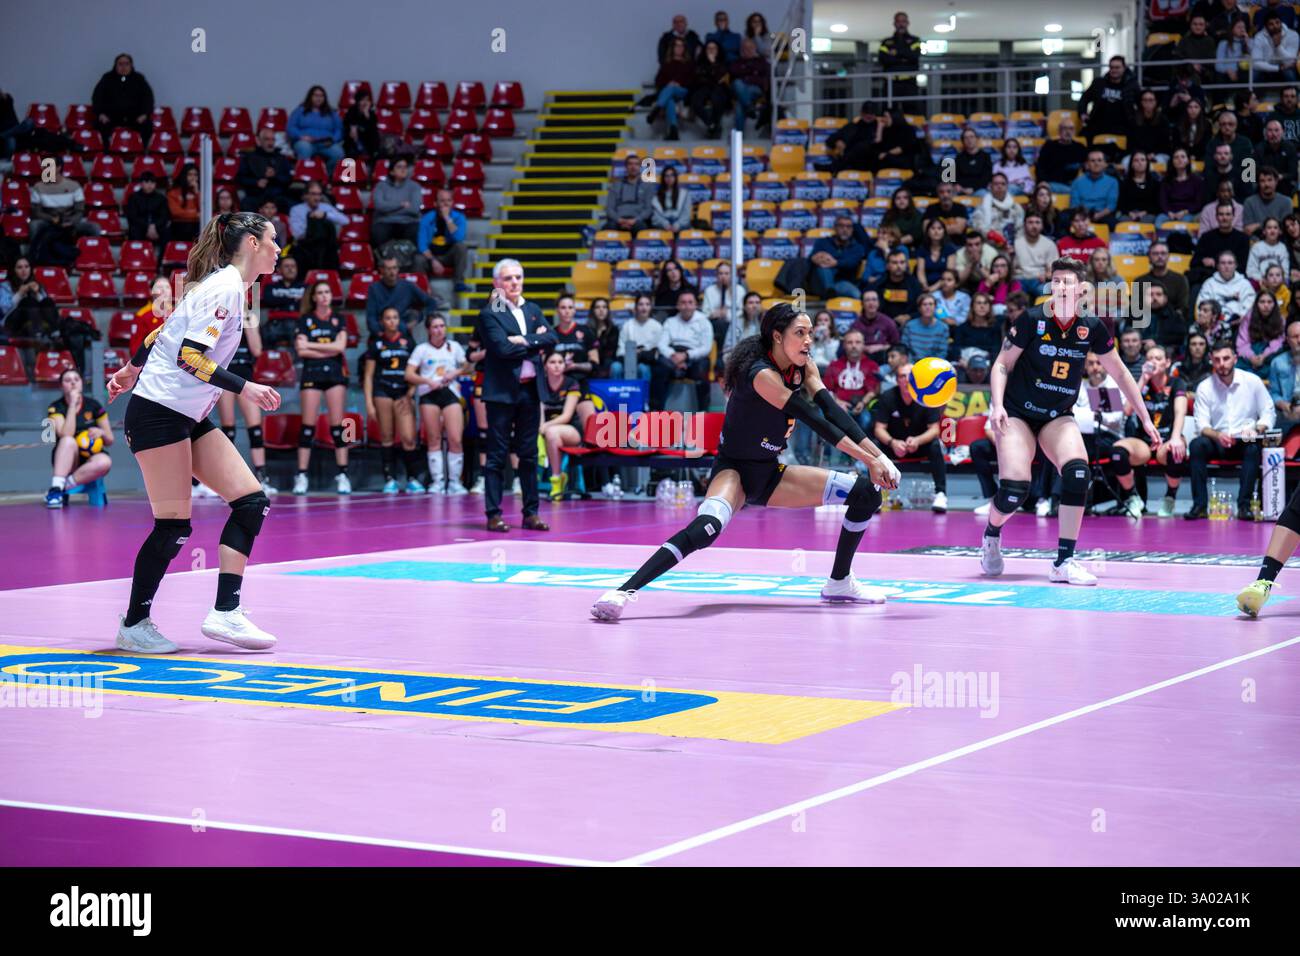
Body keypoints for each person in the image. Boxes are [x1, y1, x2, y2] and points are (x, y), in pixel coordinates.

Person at [590, 303, 902, 621]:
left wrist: (881, 458)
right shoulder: (761, 374)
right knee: (706, 529)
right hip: (734, 470)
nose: (809, 340)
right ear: (777, 336)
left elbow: (832, 412)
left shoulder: (805, 367)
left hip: (771, 474)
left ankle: (839, 583)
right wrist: (869, 459)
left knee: (867, 494)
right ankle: (622, 591)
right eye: (800, 333)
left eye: (810, 333)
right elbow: (813, 420)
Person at [105, 211, 282, 653]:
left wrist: (129, 369)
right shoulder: (223, 288)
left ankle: (226, 612)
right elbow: (189, 357)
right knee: (173, 527)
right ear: (253, 245)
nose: (279, 249)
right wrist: (247, 387)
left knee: (250, 501)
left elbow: (160, 334)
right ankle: (134, 623)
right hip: (158, 414)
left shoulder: (225, 287)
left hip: (185, 413)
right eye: (273, 241)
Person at [982, 257, 1159, 586]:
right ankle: (992, 533)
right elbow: (1001, 364)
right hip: (1018, 412)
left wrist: (1146, 419)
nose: (1062, 287)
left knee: (1079, 472)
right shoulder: (1033, 319)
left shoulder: (1091, 326)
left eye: (1068, 282)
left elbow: (1120, 372)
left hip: (1056, 416)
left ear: (1081, 289)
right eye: (1057, 281)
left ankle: (1064, 562)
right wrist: (996, 406)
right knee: (1014, 492)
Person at [477, 259, 556, 532]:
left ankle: (531, 513)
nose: (514, 283)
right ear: (497, 283)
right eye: (508, 278)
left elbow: (552, 338)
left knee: (529, 454)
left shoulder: (532, 308)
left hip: (529, 390)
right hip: (501, 393)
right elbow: (500, 349)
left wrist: (522, 340)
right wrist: (535, 340)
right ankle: (493, 514)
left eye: (518, 278)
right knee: (497, 455)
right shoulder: (490, 312)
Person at [1185, 339, 1275, 519]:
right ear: (1211, 359)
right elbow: (1201, 424)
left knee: (1253, 447)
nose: (1222, 364)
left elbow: (1268, 412)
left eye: (1226, 358)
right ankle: (1200, 505)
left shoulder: (1252, 381)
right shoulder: (1205, 387)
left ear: (1235, 358)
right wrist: (1218, 435)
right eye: (1217, 359)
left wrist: (1257, 429)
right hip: (1217, 440)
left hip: (1245, 438)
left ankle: (1244, 506)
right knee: (1196, 445)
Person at [1109, 345, 1189, 519]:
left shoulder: (1177, 382)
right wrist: (1143, 381)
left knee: (1176, 451)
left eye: (1158, 358)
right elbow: (1128, 410)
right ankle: (1133, 497)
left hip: (1167, 438)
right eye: (1150, 358)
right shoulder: (1141, 383)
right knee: (1117, 453)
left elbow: (1180, 412)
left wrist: (1176, 438)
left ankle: (1170, 497)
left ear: (1167, 363)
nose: (1153, 362)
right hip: (1143, 441)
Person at [291, 280, 350, 496]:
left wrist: (313, 346)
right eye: (320, 292)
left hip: (335, 374)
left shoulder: (338, 319)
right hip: (312, 373)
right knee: (308, 427)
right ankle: (302, 475)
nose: (324, 295)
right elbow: (301, 350)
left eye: (327, 291)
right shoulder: (306, 319)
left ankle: (343, 474)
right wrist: (329, 349)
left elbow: (341, 347)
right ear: (314, 297)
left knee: (339, 427)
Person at [215, 307, 275, 497]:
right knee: (229, 428)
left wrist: (247, 320)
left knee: (255, 428)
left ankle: (262, 478)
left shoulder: (250, 316)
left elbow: (257, 350)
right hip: (225, 374)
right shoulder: (221, 313)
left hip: (246, 374)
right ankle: (225, 479)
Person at [407, 313, 470, 495]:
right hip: (429, 394)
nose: (439, 330)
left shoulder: (454, 347)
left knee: (455, 439)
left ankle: (454, 482)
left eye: (442, 326)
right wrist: (427, 381)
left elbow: (468, 366)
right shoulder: (421, 349)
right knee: (433, 439)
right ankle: (437, 482)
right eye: (435, 326)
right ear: (428, 329)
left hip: (450, 394)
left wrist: (454, 373)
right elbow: (409, 374)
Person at [874, 362, 949, 512]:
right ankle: (876, 495)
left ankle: (941, 494)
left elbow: (934, 430)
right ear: (897, 380)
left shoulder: (927, 396)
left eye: (911, 376)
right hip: (893, 446)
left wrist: (918, 440)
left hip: (920, 445)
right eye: (902, 376)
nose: (907, 379)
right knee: (874, 447)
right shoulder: (887, 397)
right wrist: (892, 442)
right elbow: (879, 429)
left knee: (935, 446)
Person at [363, 306, 422, 494]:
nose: (392, 321)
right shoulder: (376, 343)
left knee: (408, 437)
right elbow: (368, 376)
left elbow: (416, 371)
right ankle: (390, 479)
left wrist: (411, 392)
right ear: (382, 321)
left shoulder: (408, 342)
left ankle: (412, 478)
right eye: (388, 318)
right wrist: (369, 403)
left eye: (395, 317)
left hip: (403, 393)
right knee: (386, 436)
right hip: (382, 391)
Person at [43, 368, 113, 508]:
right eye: (68, 380)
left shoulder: (93, 405)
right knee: (68, 441)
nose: (73, 383)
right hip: (67, 457)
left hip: (90, 457)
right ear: (61, 386)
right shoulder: (55, 407)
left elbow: (110, 440)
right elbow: (66, 434)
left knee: (105, 462)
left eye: (76, 379)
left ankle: (59, 489)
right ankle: (57, 487)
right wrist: (72, 406)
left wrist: (101, 433)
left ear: (81, 383)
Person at [28, 156, 101, 265]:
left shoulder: (74, 186)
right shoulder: (38, 187)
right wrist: (52, 219)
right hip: (48, 221)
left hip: (70, 220)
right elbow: (36, 211)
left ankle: (91, 260)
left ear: (58, 168)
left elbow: (80, 210)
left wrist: (71, 221)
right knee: (34, 225)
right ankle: (35, 259)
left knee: (94, 227)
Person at [651, 288, 713, 410]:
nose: (687, 306)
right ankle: (656, 410)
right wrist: (674, 356)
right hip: (672, 356)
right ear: (678, 305)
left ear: (696, 305)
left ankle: (702, 412)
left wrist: (686, 355)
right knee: (659, 368)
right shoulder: (670, 321)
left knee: (702, 367)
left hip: (694, 356)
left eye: (690, 302)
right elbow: (662, 344)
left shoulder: (704, 322)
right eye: (683, 302)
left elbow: (706, 348)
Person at [538, 351, 583, 500]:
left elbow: (567, 416)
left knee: (551, 433)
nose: (557, 366)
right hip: (548, 430)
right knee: (549, 435)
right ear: (545, 366)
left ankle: (555, 481)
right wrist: (540, 427)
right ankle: (524, 481)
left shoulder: (572, 383)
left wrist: (546, 426)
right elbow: (540, 412)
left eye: (560, 362)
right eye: (552, 362)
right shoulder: (540, 384)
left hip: (571, 430)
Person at [365, 255, 441, 338]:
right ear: (381, 270)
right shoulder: (374, 288)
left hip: (402, 331)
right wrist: (380, 333)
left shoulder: (408, 286)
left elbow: (431, 302)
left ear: (398, 269)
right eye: (388, 269)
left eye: (394, 268)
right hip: (382, 331)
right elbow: (371, 317)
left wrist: (418, 319)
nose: (392, 272)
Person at [91, 53, 153, 151]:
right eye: (120, 64)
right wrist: (100, 114)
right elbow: (97, 98)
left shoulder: (139, 79)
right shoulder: (107, 78)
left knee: (147, 126)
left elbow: (148, 99)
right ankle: (106, 152)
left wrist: (144, 114)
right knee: (99, 125)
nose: (123, 67)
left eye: (126, 64)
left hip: (135, 118)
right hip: (111, 117)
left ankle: (141, 151)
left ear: (131, 65)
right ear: (115, 66)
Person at [416, 188, 469, 292]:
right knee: (418, 259)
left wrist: (447, 218)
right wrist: (433, 260)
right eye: (442, 201)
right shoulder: (427, 218)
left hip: (448, 255)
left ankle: (459, 282)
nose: (446, 204)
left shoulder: (459, 218)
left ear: (452, 202)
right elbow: (422, 246)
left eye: (448, 200)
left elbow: (458, 238)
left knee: (461, 247)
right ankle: (422, 290)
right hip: (431, 256)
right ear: (435, 203)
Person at [288, 182, 348, 271]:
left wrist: (325, 215)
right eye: (313, 194)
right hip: (306, 248)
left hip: (326, 250)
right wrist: (312, 223)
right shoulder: (296, 210)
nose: (316, 198)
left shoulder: (325, 208)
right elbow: (298, 234)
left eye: (319, 194)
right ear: (306, 195)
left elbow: (345, 220)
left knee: (327, 225)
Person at [1, 257, 61, 345]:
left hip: (34, 323)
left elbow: (46, 308)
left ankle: (55, 333)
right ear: (13, 270)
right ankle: (38, 335)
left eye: (26, 267)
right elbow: (3, 310)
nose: (24, 270)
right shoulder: (4, 286)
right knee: (28, 302)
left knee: (48, 301)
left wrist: (37, 294)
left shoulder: (37, 285)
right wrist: (19, 294)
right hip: (11, 324)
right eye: (19, 267)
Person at [370, 154, 423, 250]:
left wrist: (389, 209)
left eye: (405, 167)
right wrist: (401, 205)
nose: (403, 170)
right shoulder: (380, 186)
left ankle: (409, 262)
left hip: (408, 222)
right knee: (379, 231)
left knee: (415, 230)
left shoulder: (415, 187)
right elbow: (379, 207)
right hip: (385, 222)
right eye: (399, 167)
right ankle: (383, 262)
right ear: (391, 171)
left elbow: (414, 209)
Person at [1081, 56, 1139, 142]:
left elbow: (1140, 101)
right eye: (1111, 67)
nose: (1114, 70)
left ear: (1124, 68)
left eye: (1117, 67)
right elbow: (1085, 98)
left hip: (1123, 126)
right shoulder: (1099, 83)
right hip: (1099, 125)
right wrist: (1082, 113)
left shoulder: (1131, 86)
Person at [288, 85, 344, 173]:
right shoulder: (300, 111)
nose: (319, 98)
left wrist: (333, 139)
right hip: (305, 142)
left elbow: (339, 129)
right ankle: (304, 177)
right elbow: (290, 127)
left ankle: (325, 176)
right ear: (310, 97)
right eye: (316, 95)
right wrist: (301, 136)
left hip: (326, 143)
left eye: (321, 96)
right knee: (304, 148)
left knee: (339, 153)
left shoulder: (331, 113)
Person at [236, 127, 293, 213]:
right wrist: (256, 182)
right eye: (267, 139)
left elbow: (288, 179)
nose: (270, 143)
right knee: (246, 204)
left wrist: (275, 176)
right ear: (259, 141)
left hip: (276, 197)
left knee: (290, 204)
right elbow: (240, 178)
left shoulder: (281, 158)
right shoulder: (249, 157)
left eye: (272, 140)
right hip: (256, 196)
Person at [650, 37, 694, 140]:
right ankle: (673, 130)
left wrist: (679, 84)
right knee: (670, 100)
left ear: (684, 48)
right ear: (673, 47)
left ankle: (658, 107)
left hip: (683, 92)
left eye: (681, 46)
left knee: (672, 89)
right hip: (669, 94)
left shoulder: (689, 64)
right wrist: (669, 83)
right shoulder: (666, 64)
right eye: (677, 45)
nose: (679, 48)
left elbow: (692, 81)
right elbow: (658, 81)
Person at [613, 292, 664, 380]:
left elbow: (657, 351)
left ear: (651, 307)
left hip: (646, 361)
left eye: (647, 304)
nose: (644, 308)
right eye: (641, 304)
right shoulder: (627, 325)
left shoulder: (657, 326)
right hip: (627, 359)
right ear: (636, 307)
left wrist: (640, 354)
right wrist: (631, 354)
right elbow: (620, 349)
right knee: (615, 367)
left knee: (642, 368)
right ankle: (615, 393)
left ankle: (644, 393)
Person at [1196, 250, 1254, 323]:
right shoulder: (1209, 284)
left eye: (1230, 263)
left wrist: (1240, 319)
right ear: (1217, 266)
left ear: (1235, 265)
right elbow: (1201, 307)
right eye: (1223, 263)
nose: (1226, 266)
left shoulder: (1245, 284)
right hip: (1213, 324)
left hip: (1239, 324)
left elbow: (1250, 308)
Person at [690, 40, 732, 139]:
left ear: (718, 50)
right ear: (705, 50)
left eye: (714, 48)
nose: (711, 50)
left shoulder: (724, 63)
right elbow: (698, 79)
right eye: (709, 48)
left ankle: (715, 127)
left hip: (719, 89)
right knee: (696, 101)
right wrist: (711, 77)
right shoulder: (699, 63)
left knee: (717, 99)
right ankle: (711, 124)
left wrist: (713, 64)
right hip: (703, 88)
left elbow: (721, 78)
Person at [877, 11, 922, 104]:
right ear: (894, 23)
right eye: (898, 21)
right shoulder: (886, 42)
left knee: (911, 114)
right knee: (889, 114)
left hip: (909, 83)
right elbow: (883, 60)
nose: (901, 24)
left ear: (907, 23)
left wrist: (896, 52)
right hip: (891, 83)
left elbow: (914, 56)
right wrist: (904, 57)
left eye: (903, 21)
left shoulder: (915, 40)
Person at [603, 154, 656, 231]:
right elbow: (609, 208)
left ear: (640, 167)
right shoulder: (616, 185)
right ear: (626, 167)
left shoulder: (647, 186)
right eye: (630, 164)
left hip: (637, 221)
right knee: (607, 229)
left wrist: (635, 220)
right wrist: (619, 220)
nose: (633, 167)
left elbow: (648, 209)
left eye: (636, 164)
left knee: (642, 228)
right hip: (618, 220)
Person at [728, 38, 770, 134]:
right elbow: (733, 74)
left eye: (750, 47)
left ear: (755, 48)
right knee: (738, 85)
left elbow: (762, 80)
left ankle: (738, 138)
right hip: (740, 90)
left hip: (756, 90)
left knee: (740, 88)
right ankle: (749, 107)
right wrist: (752, 73)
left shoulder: (761, 61)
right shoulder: (737, 62)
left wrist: (746, 77)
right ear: (742, 50)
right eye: (745, 48)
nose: (748, 50)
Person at [1013, 212, 1057, 298]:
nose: (1034, 226)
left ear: (1042, 225)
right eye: (1030, 222)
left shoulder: (1049, 244)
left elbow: (1054, 270)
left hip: (1039, 280)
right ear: (1024, 225)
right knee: (1016, 297)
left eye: (1037, 222)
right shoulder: (1016, 243)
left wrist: (1046, 275)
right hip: (1020, 279)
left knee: (1047, 292)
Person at [1069, 150, 1119, 224]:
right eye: (1092, 161)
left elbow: (1111, 206)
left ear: (1104, 164)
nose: (1096, 163)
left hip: (1102, 214)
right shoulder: (1077, 182)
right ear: (1087, 164)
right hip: (1082, 214)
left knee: (1113, 223)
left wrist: (1098, 215)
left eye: (1099, 160)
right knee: (1065, 218)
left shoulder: (1112, 182)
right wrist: (1084, 217)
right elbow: (1074, 204)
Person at [125, 171, 170, 252]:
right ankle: (137, 258)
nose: (149, 185)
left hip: (157, 227)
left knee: (167, 233)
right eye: (146, 182)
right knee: (134, 231)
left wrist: (154, 226)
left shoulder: (161, 198)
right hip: (140, 227)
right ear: (141, 183)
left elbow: (164, 216)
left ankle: (161, 262)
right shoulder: (133, 197)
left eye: (152, 182)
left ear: (155, 184)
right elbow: (133, 217)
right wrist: (148, 226)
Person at [1267, 318, 1300, 427]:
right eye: (1295, 337)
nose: (1299, 340)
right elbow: (1274, 393)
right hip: (1288, 409)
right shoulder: (1277, 362)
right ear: (1287, 339)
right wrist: (1284, 405)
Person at [900, 292, 949, 360]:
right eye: (924, 304)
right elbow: (904, 349)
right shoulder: (910, 326)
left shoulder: (943, 328)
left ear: (935, 307)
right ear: (919, 308)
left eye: (931, 304)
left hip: (933, 365)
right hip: (911, 364)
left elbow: (942, 353)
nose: (928, 307)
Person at [916, 217, 957, 291]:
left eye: (939, 228)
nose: (936, 231)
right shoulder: (922, 249)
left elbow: (949, 274)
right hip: (925, 286)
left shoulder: (950, 249)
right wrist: (925, 286)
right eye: (933, 228)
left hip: (944, 286)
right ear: (928, 231)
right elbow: (920, 271)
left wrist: (932, 289)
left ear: (944, 231)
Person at [651, 164, 692, 232]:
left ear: (675, 178)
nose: (669, 178)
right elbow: (655, 216)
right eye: (666, 176)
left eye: (672, 175)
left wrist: (677, 225)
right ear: (663, 178)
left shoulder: (684, 194)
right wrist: (665, 225)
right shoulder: (656, 196)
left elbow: (686, 214)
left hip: (680, 225)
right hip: (662, 226)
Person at [342, 90, 380, 161]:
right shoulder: (351, 112)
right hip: (353, 143)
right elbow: (348, 130)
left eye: (367, 100)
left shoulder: (372, 115)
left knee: (377, 152)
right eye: (362, 100)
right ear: (358, 101)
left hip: (369, 143)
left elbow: (373, 133)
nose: (365, 103)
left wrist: (367, 116)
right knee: (351, 153)